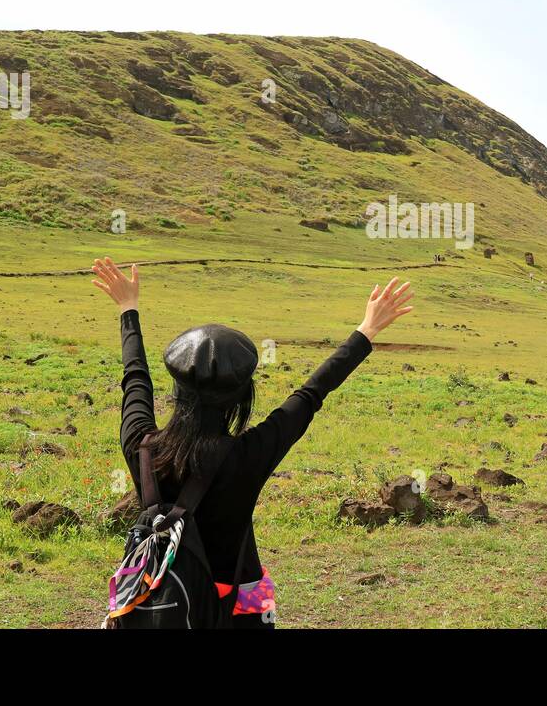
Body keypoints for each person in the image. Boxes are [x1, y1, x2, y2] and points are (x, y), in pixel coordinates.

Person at [90, 257, 414, 627]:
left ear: (177, 391)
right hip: (236, 612)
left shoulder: (142, 447)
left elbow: (135, 381)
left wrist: (127, 309)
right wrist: (366, 329)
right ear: (242, 398)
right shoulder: (248, 455)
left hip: (158, 607)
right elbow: (310, 394)